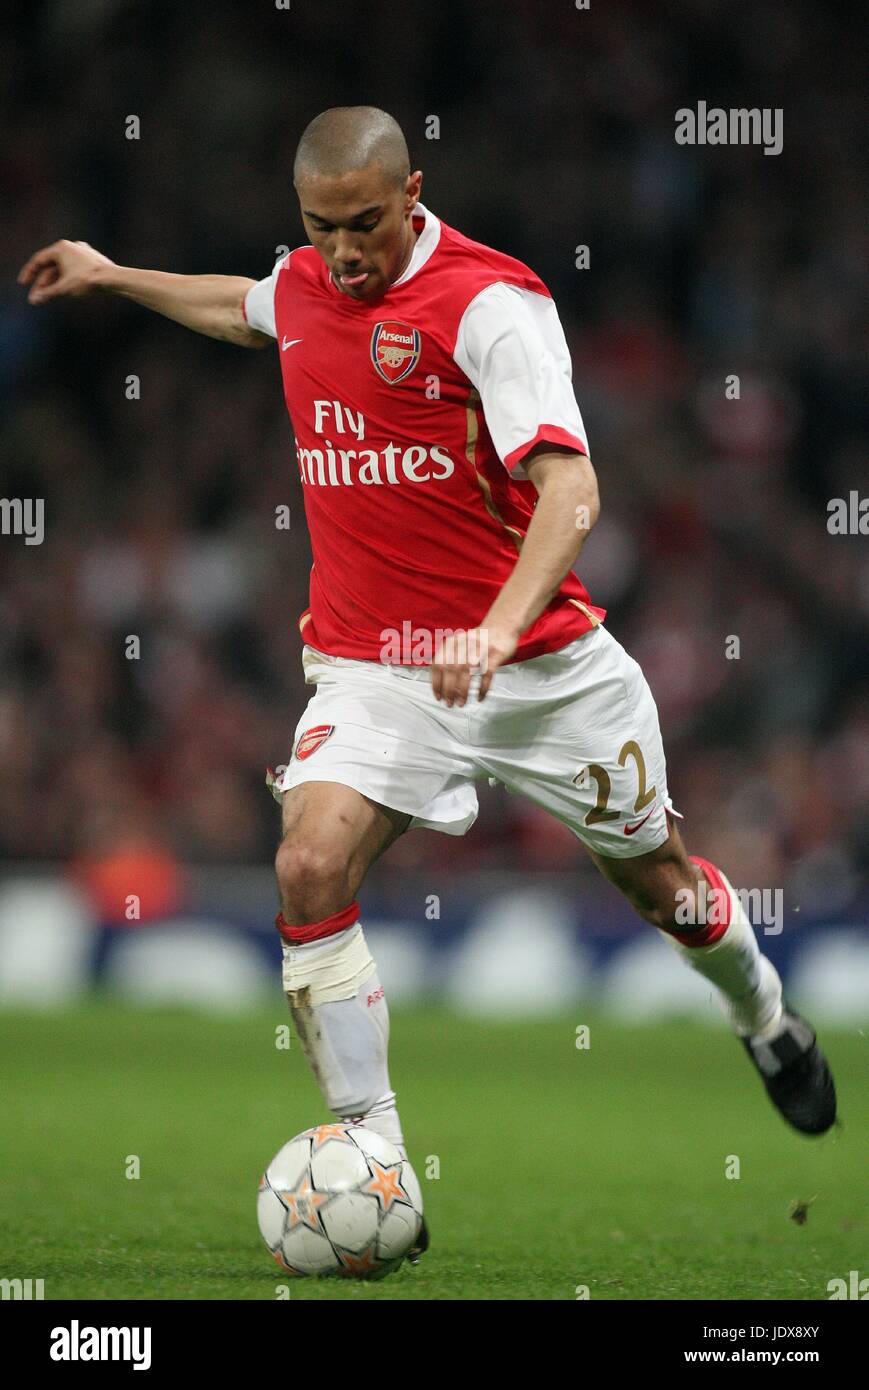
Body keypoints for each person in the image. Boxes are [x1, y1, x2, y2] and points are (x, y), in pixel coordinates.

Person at [19, 104, 837, 1271]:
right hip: (374, 665)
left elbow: (569, 491)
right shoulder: (305, 283)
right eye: (319, 229)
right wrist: (110, 274)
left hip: (542, 669)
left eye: (363, 226)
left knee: (659, 883)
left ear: (414, 193)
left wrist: (498, 631)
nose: (344, 254)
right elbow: (239, 307)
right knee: (306, 862)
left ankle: (760, 1012)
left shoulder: (489, 305)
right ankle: (377, 1159)